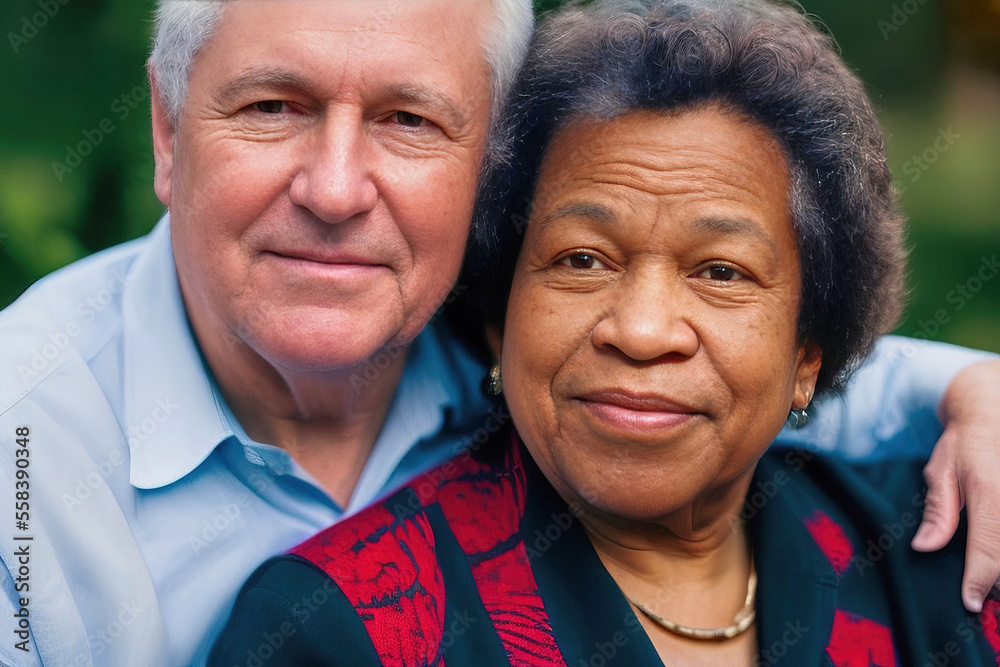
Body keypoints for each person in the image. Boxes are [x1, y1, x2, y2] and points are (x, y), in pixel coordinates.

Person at [0, 0, 997, 665]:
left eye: (409, 122)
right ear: (168, 134)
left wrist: (969, 390)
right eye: (272, 107)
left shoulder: (505, 341)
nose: (337, 190)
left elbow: (761, 367)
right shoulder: (24, 451)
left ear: (488, 175)